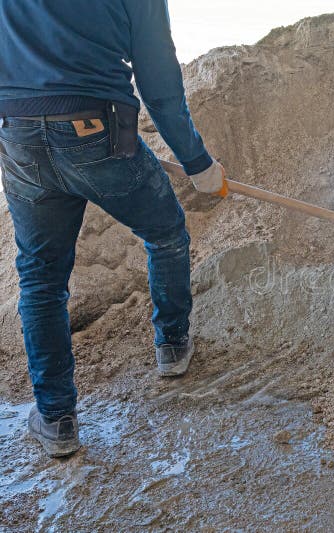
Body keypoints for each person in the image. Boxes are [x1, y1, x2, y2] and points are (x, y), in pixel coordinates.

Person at [0, 0, 225, 457]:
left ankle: (57, 419)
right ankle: (172, 346)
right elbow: (159, 81)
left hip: (17, 132)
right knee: (165, 233)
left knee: (41, 277)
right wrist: (197, 162)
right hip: (97, 131)